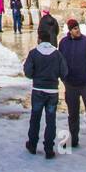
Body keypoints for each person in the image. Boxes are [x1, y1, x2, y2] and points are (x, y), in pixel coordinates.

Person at [23, 27, 68, 159]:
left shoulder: (33, 53)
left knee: (35, 118)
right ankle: (49, 148)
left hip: (38, 90)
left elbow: (28, 72)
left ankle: (32, 144)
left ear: (39, 39)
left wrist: (37, 76)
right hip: (52, 91)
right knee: (51, 120)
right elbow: (64, 72)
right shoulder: (57, 54)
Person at [59, 19, 86, 153]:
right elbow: (60, 60)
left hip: (85, 84)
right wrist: (63, 77)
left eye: (78, 28)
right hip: (70, 84)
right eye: (74, 29)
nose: (77, 30)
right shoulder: (64, 43)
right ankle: (74, 139)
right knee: (73, 114)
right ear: (70, 31)